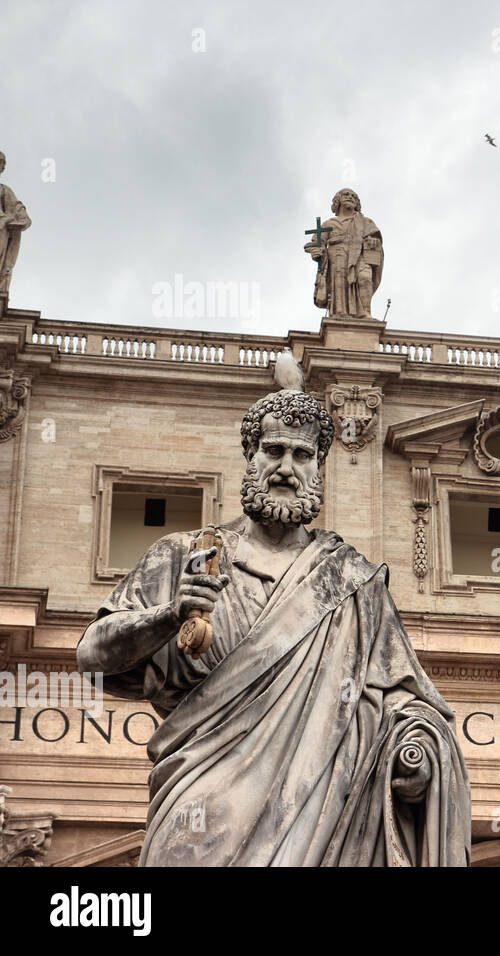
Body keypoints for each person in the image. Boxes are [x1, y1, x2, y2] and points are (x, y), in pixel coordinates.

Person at [76, 354, 470, 866]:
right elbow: (91, 656)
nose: (286, 468)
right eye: (274, 450)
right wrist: (171, 615)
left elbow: (401, 698)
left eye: (303, 455)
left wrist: (414, 754)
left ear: (318, 468)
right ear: (251, 458)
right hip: (201, 803)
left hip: (319, 810)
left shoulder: (354, 582)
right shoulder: (186, 553)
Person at [305, 188, 383, 317]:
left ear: (357, 203)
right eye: (346, 194)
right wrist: (318, 251)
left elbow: (376, 239)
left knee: (365, 278)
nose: (350, 197)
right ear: (337, 201)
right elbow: (316, 243)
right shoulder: (330, 223)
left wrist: (374, 241)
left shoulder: (365, 222)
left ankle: (365, 313)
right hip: (337, 254)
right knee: (340, 282)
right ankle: (340, 313)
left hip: (359, 253)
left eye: (354, 196)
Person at [0, 151, 32, 300]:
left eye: (2, 162)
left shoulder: (4, 190)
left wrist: (11, 219)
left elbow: (17, 210)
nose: (1, 165)